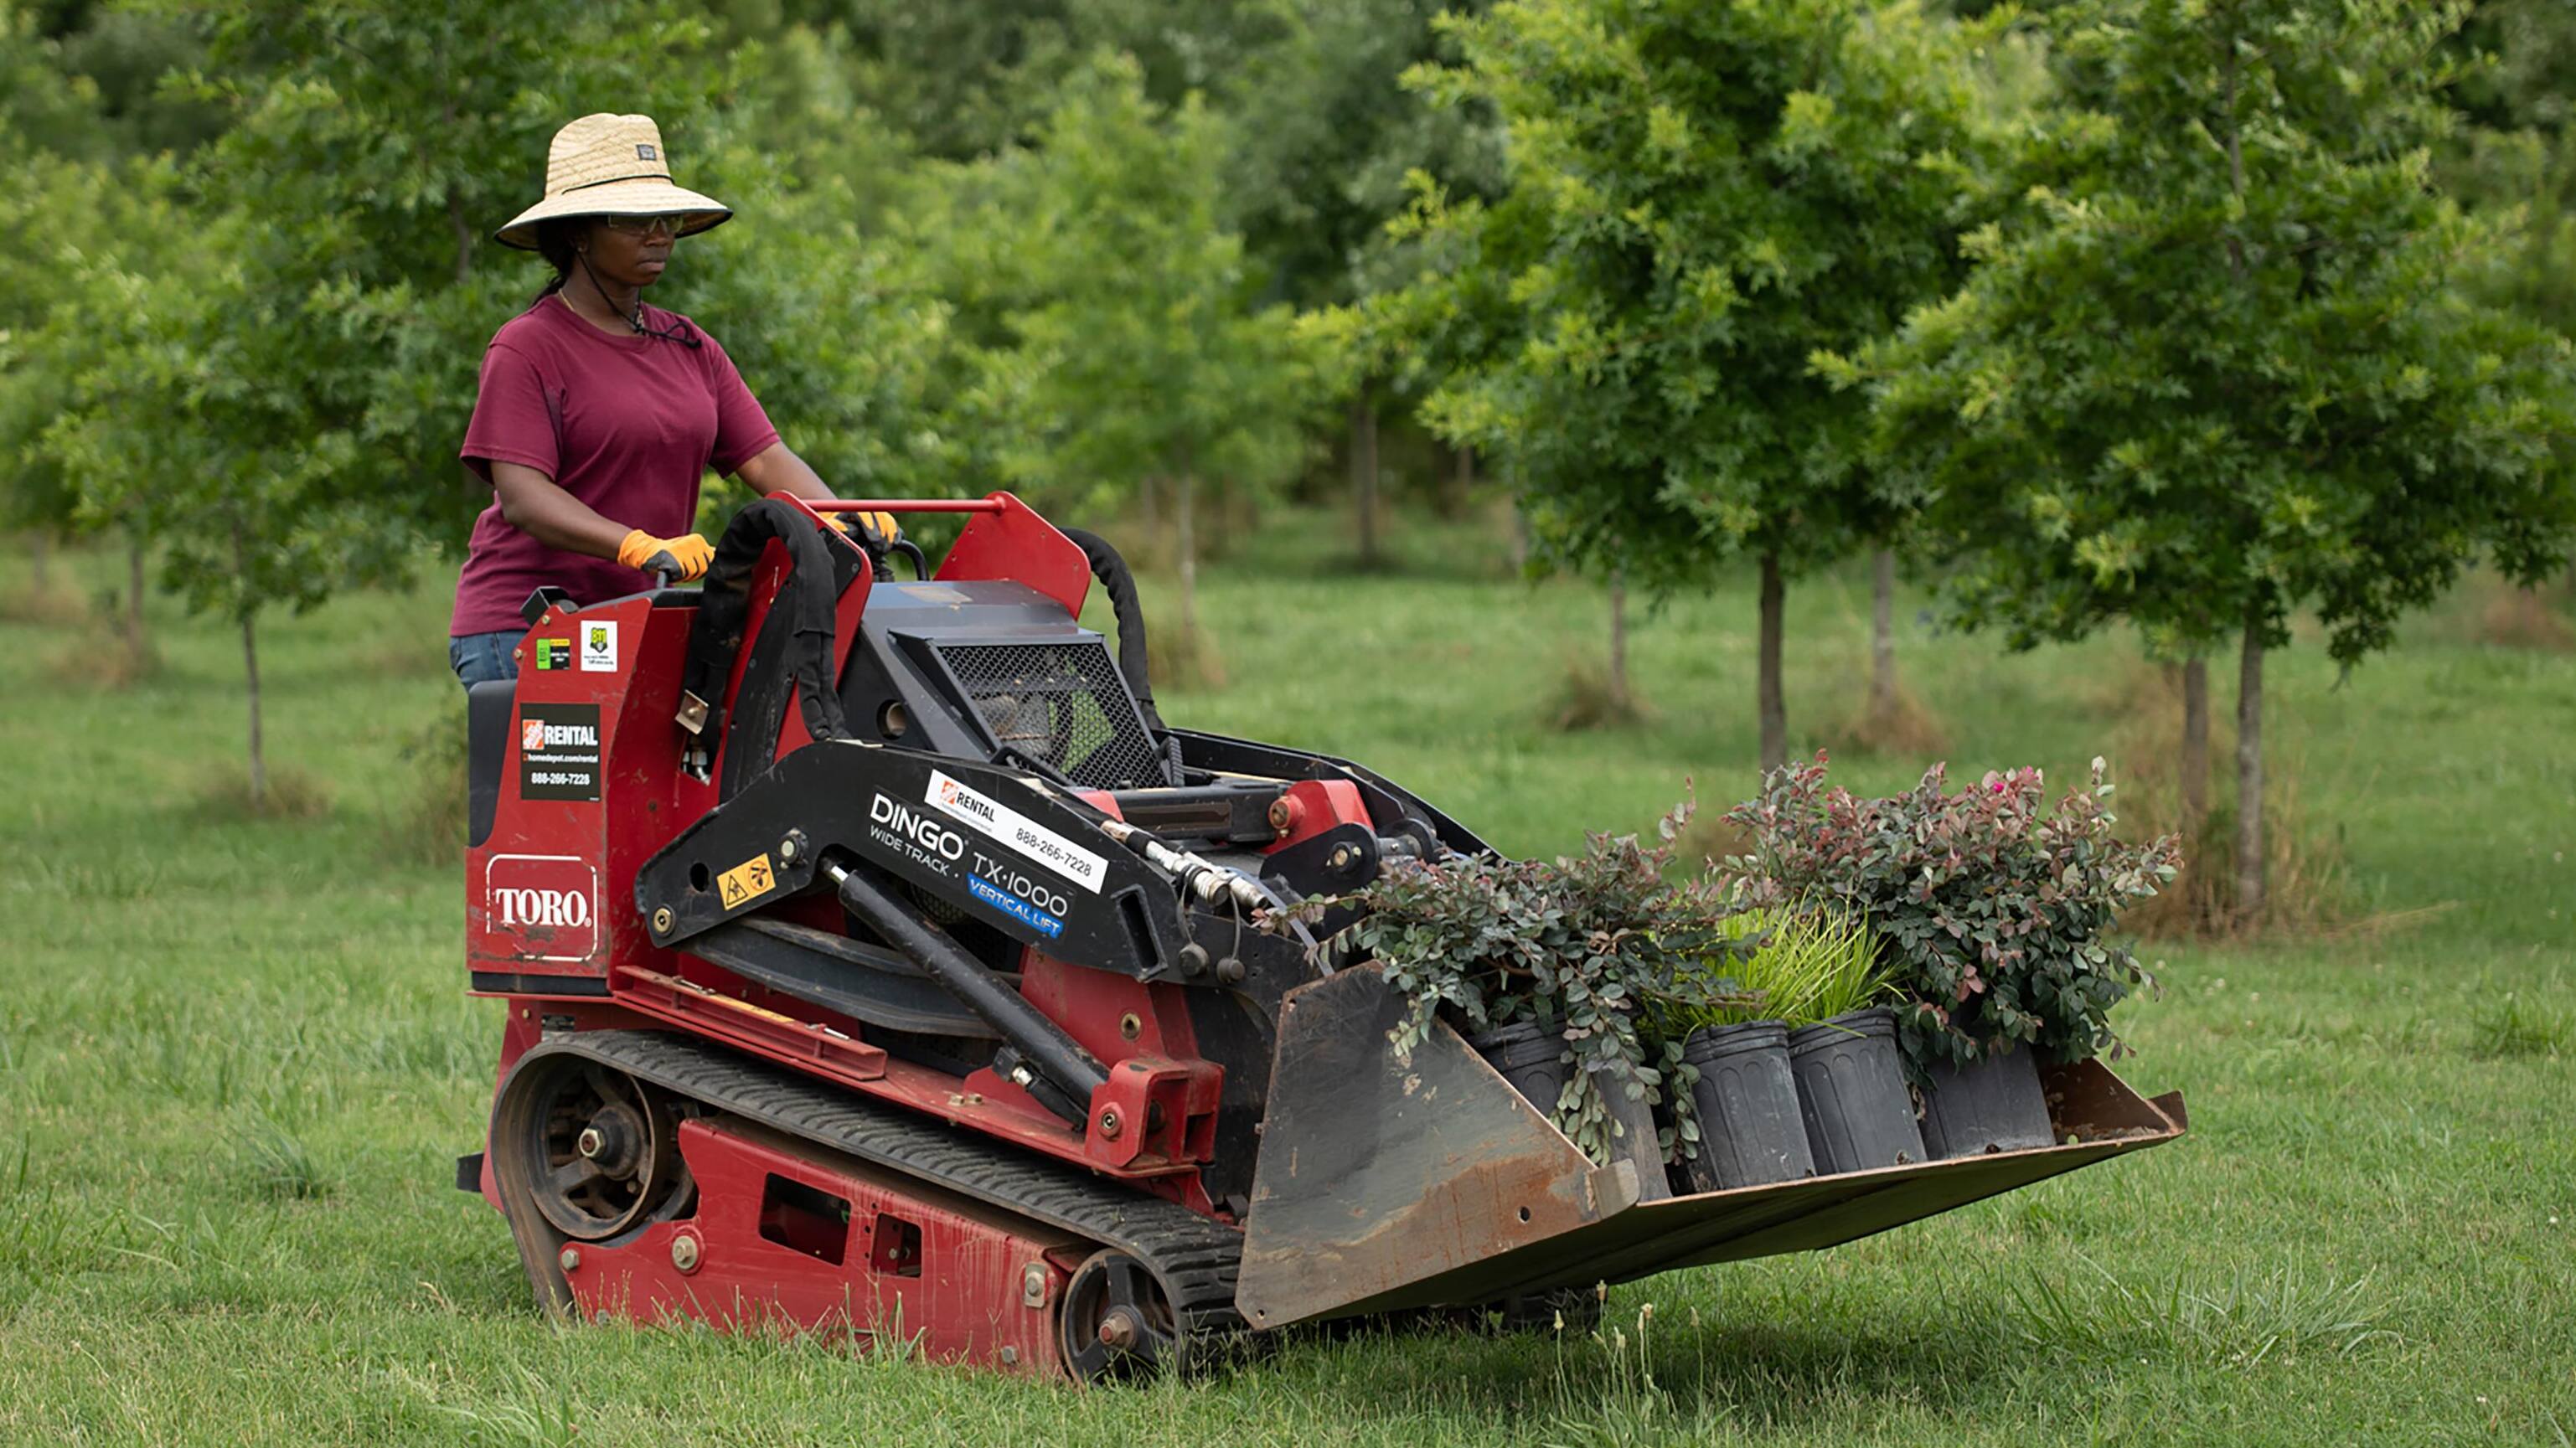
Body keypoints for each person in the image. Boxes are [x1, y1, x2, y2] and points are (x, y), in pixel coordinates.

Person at [448, 112, 882, 686]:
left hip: (637, 619)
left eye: (667, 216)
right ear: (578, 231)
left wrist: (843, 522)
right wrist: (634, 545)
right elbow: (524, 496)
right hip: (531, 628)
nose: (659, 233)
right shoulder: (528, 347)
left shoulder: (687, 343)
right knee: (580, 782)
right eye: (635, 219)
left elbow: (765, 459)